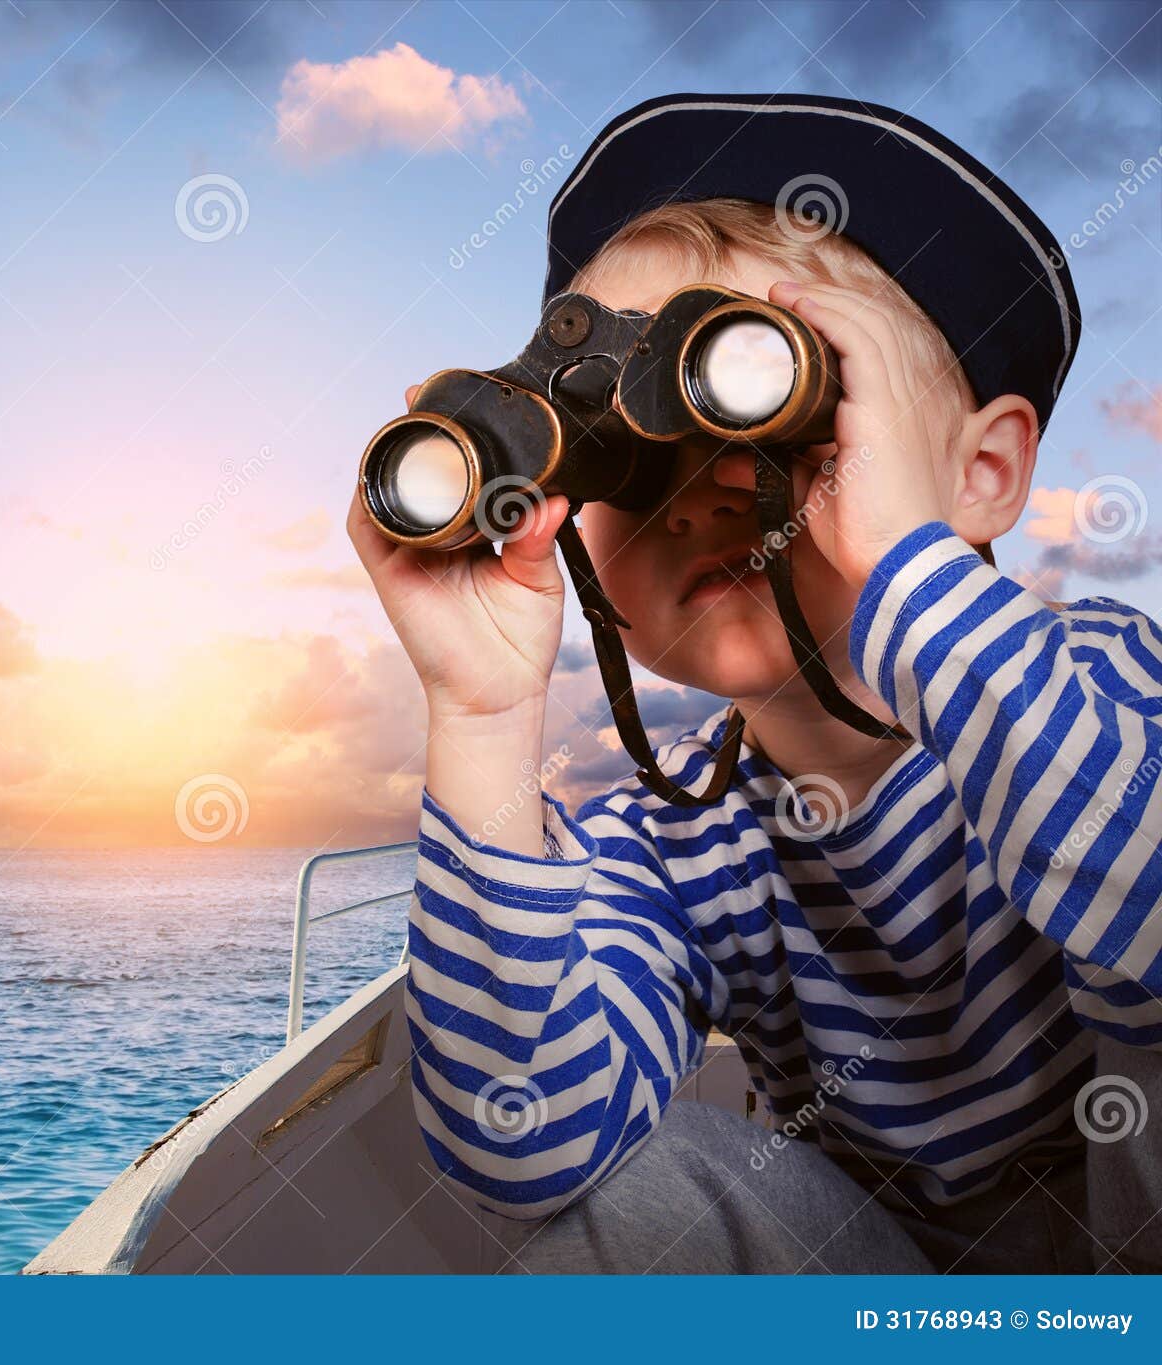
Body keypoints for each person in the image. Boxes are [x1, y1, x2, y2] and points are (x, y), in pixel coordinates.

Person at [348, 94, 1162, 1274]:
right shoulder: (666, 843)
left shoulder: (1104, 680)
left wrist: (898, 569)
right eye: (627, 460)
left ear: (983, 472)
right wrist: (477, 716)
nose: (711, 489)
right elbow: (523, 1147)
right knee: (610, 1204)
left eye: (798, 421)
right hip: (893, 1301)